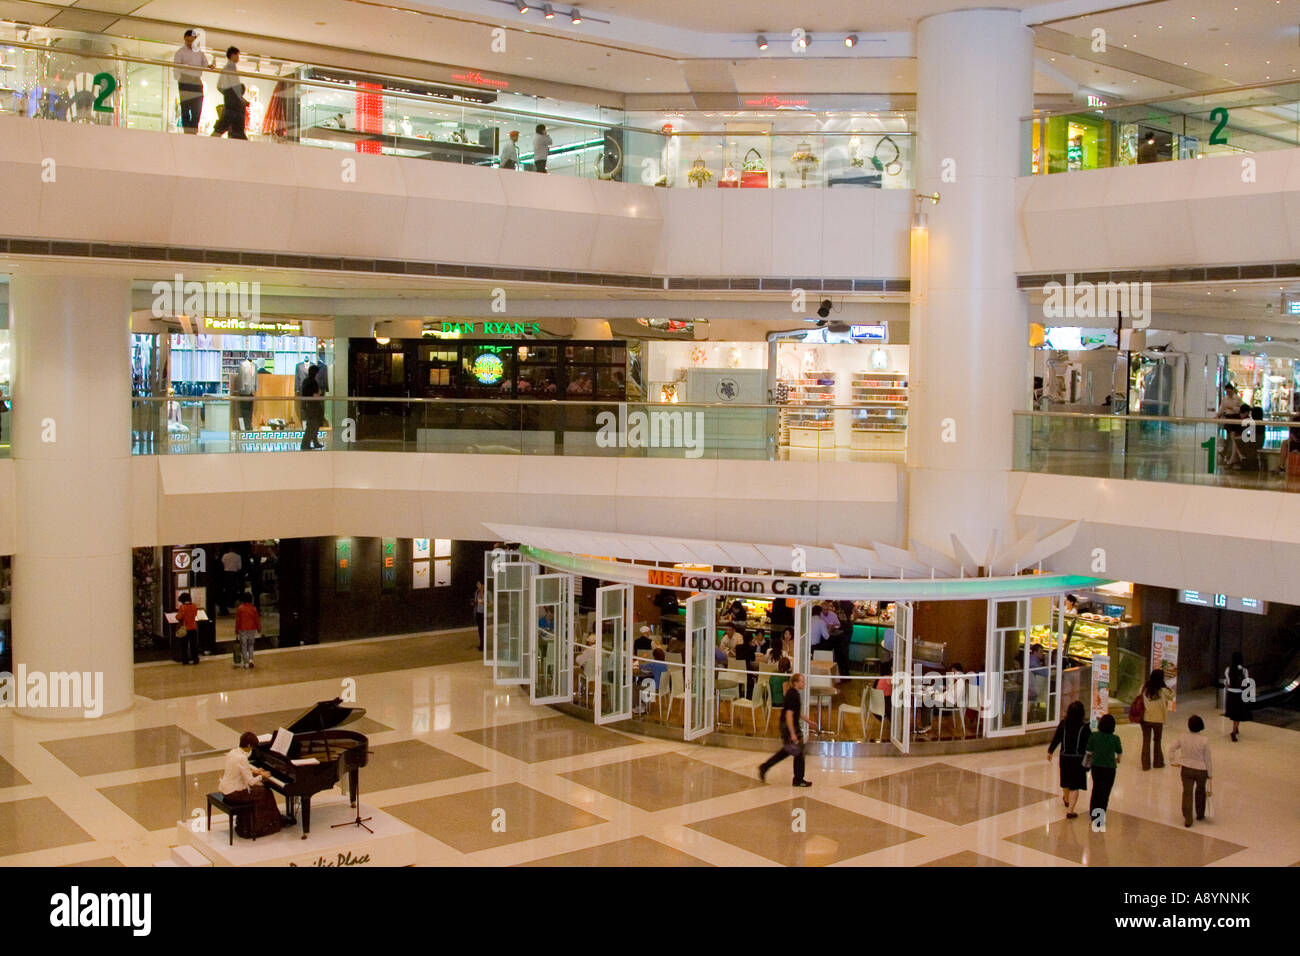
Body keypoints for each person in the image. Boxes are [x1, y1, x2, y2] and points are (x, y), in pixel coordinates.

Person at [219, 731, 282, 839]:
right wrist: (263, 775)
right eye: (252, 747)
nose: (252, 750)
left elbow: (243, 768)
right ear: (248, 745)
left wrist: (257, 771)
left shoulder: (233, 752)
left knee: (262, 791)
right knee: (266, 792)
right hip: (234, 793)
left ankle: (262, 823)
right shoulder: (242, 758)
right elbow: (251, 782)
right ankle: (264, 826)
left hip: (226, 789)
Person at [758, 672, 812, 787]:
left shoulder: (793, 693)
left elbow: (796, 712)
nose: (804, 683)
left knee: (788, 751)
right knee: (798, 751)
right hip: (789, 726)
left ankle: (765, 767)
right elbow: (789, 714)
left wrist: (809, 722)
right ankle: (798, 779)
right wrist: (792, 733)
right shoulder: (793, 695)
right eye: (802, 681)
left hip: (789, 725)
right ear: (796, 683)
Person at [1047, 700, 1090, 818]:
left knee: (1065, 781)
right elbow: (1089, 746)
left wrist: (1050, 751)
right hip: (1078, 759)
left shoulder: (1063, 724)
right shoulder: (1085, 727)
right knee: (1075, 786)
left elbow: (1057, 738)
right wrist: (1088, 764)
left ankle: (1066, 799)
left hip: (1064, 757)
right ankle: (1070, 810)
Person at [1169, 715, 1212, 828]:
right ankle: (1200, 813)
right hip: (1201, 769)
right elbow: (1207, 758)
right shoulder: (1204, 740)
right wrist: (1210, 774)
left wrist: (1173, 760)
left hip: (1186, 768)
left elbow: (1171, 748)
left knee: (1187, 793)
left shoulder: (1182, 737)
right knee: (1200, 791)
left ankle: (1188, 818)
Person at [1086, 713, 1122, 820]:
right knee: (1105, 792)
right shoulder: (1115, 738)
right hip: (1109, 768)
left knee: (1096, 788)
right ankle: (1099, 815)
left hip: (1096, 767)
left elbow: (1089, 751)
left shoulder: (1094, 736)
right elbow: (1119, 752)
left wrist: (1086, 766)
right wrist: (1118, 760)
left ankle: (1093, 812)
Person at [173, 29, 210, 134]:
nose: (190, 43)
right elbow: (176, 67)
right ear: (185, 39)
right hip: (185, 80)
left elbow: (205, 64)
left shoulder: (199, 53)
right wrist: (180, 78)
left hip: (196, 80)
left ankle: (194, 130)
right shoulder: (180, 52)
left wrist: (209, 66)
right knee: (185, 107)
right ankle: (187, 131)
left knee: (197, 108)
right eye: (188, 41)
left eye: (192, 41)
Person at [1139, 668, 1174, 771]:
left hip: (1145, 718)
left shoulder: (1144, 688)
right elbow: (1172, 694)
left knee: (1146, 741)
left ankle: (1145, 765)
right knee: (1157, 741)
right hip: (1158, 720)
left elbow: (1138, 696)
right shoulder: (1163, 690)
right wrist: (1166, 685)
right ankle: (1158, 763)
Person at [211, 47, 248, 140]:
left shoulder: (226, 68)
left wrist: (226, 93)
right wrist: (240, 97)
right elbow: (235, 85)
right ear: (232, 55)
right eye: (237, 55)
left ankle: (216, 135)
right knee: (232, 117)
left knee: (228, 118)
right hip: (232, 97)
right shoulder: (230, 68)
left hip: (229, 96)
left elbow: (219, 86)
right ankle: (218, 136)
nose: (238, 58)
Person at [1223, 651, 1250, 742]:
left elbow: (1227, 682)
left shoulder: (1228, 669)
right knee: (1238, 713)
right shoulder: (1244, 670)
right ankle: (1234, 731)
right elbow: (1246, 682)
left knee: (1233, 712)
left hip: (1231, 693)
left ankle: (1236, 728)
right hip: (1239, 693)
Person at [300, 365, 324, 450]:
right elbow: (314, 395)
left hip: (309, 406)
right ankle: (306, 444)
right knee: (312, 426)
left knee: (313, 425)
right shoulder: (312, 382)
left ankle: (313, 442)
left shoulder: (307, 381)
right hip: (312, 407)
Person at [234, 591, 260, 669]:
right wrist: (259, 628)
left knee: (244, 646)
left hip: (243, 629)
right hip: (252, 628)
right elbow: (257, 619)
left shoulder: (240, 609)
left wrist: (236, 629)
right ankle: (251, 659)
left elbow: (238, 620)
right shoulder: (253, 608)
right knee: (251, 645)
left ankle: (246, 662)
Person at [176, 591, 200, 665]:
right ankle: (195, 658)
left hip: (185, 628)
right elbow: (195, 614)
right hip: (193, 627)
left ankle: (185, 660)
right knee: (194, 644)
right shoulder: (194, 606)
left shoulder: (182, 607)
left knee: (184, 645)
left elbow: (178, 617)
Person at [734, 629, 757, 697]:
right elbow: (753, 659)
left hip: (738, 669)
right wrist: (754, 646)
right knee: (753, 674)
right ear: (751, 640)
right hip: (747, 671)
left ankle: (738, 693)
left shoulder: (738, 647)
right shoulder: (751, 648)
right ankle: (749, 695)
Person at [221, 546, 243, 611]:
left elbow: (222, 563)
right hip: (234, 574)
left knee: (226, 588)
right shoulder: (238, 556)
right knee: (233, 589)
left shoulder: (225, 556)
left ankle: (226, 602)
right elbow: (239, 567)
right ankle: (231, 603)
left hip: (226, 573)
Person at [473, 582, 485, 651]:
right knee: (480, 630)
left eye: (479, 584)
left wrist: (480, 601)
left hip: (483, 613)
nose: (478, 585)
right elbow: (477, 602)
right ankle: (481, 644)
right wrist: (474, 602)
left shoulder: (486, 593)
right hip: (478, 612)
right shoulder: (476, 592)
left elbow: (487, 603)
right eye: (477, 584)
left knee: (483, 630)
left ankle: (483, 645)